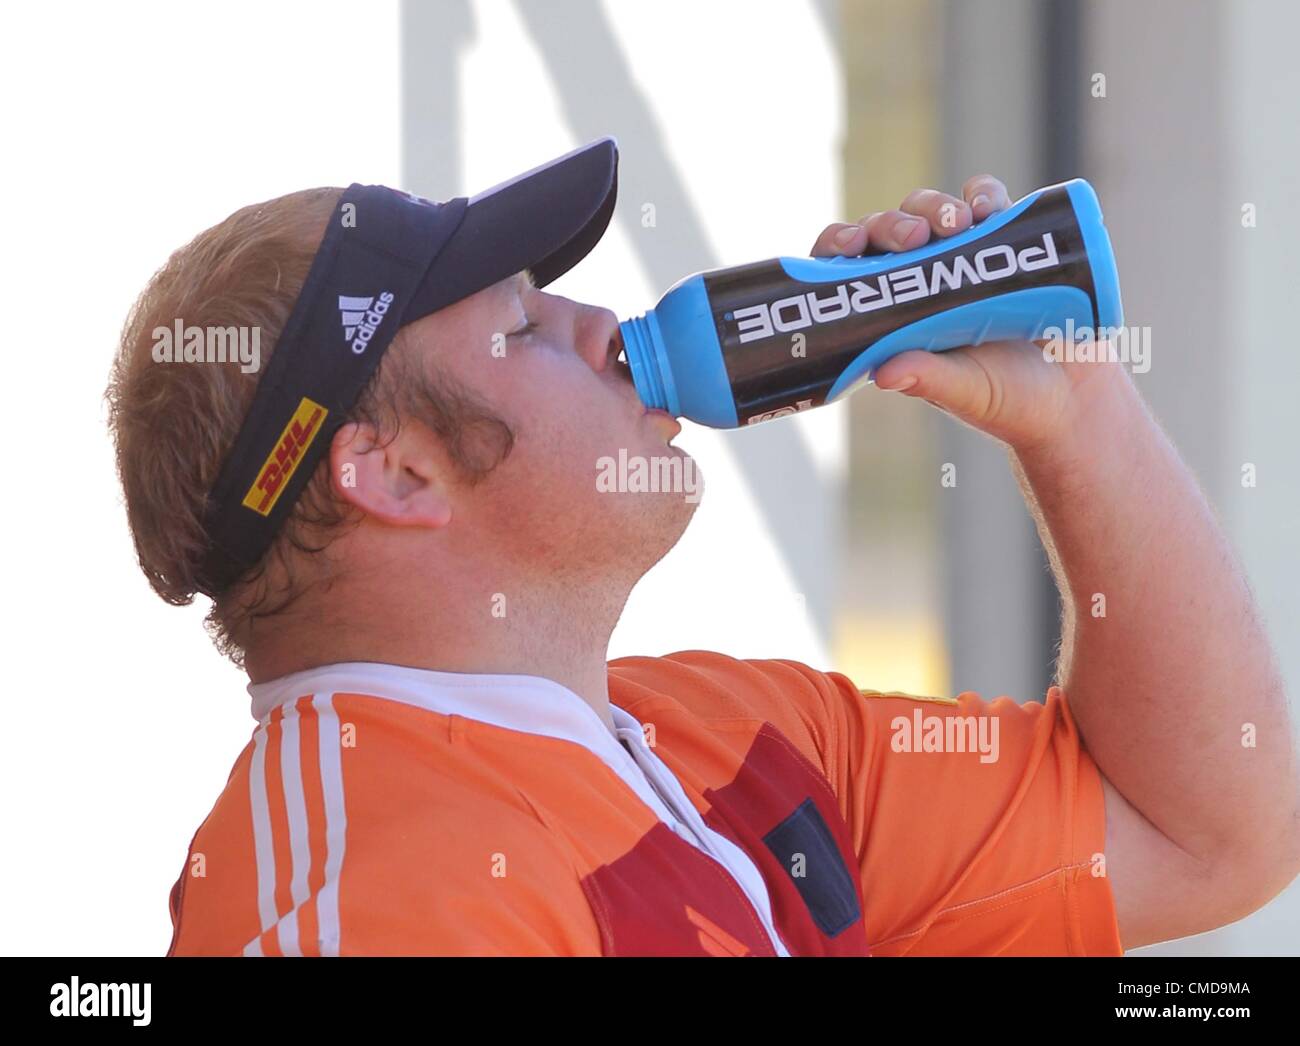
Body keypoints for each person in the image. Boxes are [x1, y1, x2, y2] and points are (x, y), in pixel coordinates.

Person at [106, 137, 1299, 956]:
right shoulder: (370, 902)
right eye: (525, 325)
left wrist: (1074, 412)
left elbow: (1205, 832)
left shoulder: (727, 737)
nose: (599, 325)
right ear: (394, 470)